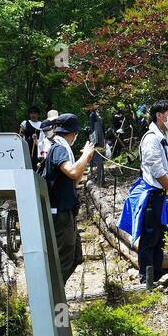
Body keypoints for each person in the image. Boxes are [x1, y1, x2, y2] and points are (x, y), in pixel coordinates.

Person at [39, 112, 97, 284]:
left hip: (67, 213)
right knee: (63, 260)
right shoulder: (59, 149)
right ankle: (52, 301)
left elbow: (75, 179)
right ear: (73, 133)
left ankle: (55, 295)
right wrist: (85, 155)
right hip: (60, 214)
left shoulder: (60, 148)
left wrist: (85, 159)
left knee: (75, 257)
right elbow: (73, 172)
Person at [135, 100, 168, 284]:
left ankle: (159, 273)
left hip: (164, 193)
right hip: (154, 194)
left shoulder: (163, 136)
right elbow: (156, 169)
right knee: (150, 236)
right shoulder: (151, 138)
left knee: (162, 235)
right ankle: (147, 276)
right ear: (159, 116)